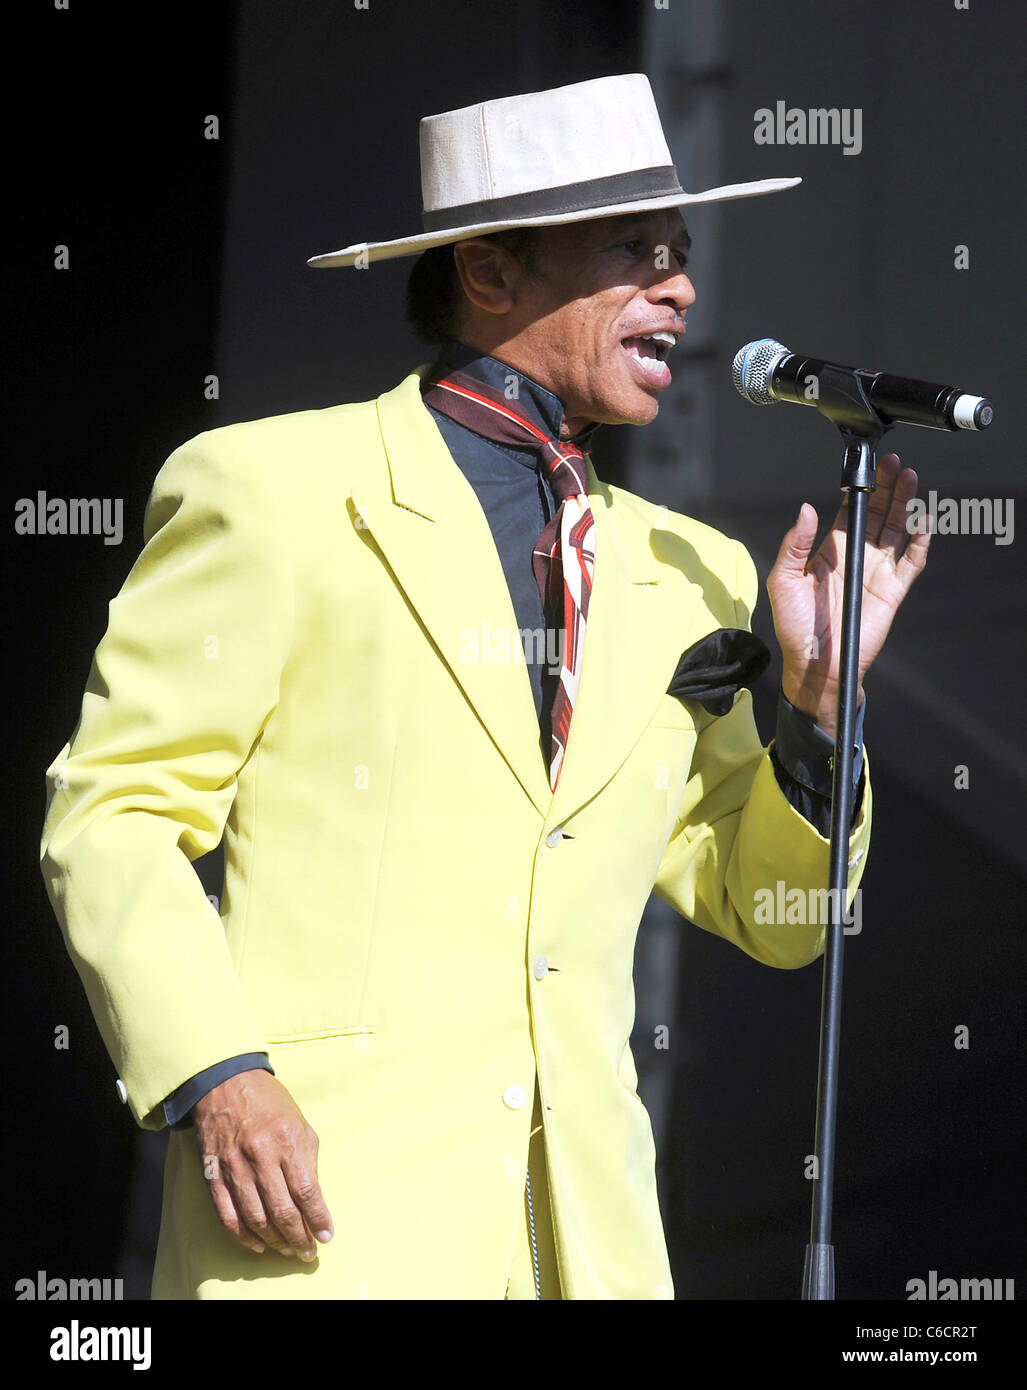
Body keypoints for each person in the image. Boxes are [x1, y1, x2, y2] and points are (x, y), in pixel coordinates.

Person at [39, 73, 929, 1300]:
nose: (677, 284)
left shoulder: (695, 571)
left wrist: (824, 702)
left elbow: (773, 916)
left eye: (678, 250)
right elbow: (114, 814)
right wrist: (219, 1076)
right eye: (633, 248)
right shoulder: (275, 489)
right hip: (326, 1236)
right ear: (489, 272)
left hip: (589, 1254)